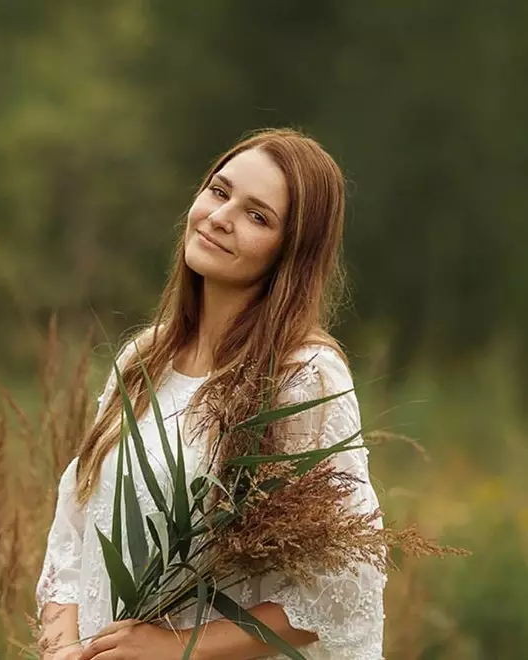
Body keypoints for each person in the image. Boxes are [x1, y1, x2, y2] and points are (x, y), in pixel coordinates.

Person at [35, 128, 386, 659]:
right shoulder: (142, 360)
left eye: (257, 216)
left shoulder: (301, 376)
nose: (221, 217)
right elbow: (75, 529)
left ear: (290, 253)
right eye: (219, 192)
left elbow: (344, 587)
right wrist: (64, 644)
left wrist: (175, 647)